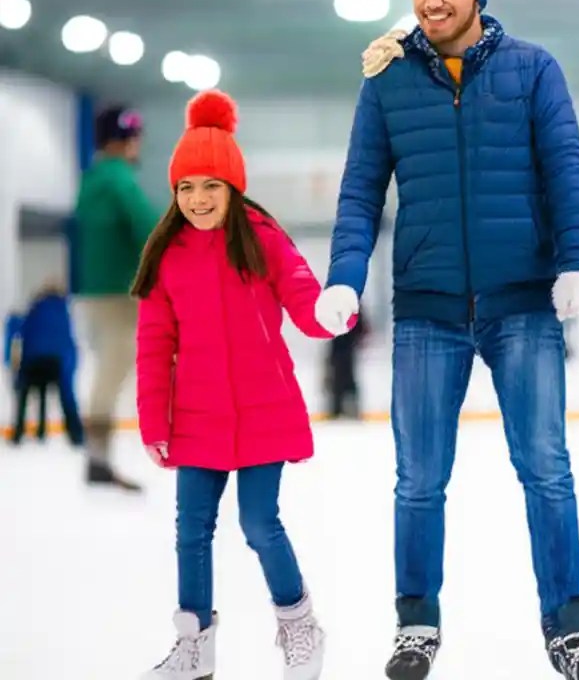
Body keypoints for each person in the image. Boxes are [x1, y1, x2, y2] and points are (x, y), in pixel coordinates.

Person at [326, 0, 579, 678]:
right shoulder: (388, 78)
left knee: (546, 469)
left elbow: (565, 171)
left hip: (521, 300)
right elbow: (361, 189)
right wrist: (344, 275)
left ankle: (569, 627)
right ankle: (416, 625)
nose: (430, 1)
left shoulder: (533, 69)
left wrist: (577, 258)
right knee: (419, 479)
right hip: (427, 306)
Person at [134, 90, 336, 680]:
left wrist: (335, 311)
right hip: (196, 418)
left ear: (233, 187)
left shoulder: (261, 236)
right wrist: (154, 421)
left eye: (210, 186)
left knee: (258, 522)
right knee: (191, 530)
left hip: (263, 411)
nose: (197, 200)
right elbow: (153, 346)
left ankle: (299, 625)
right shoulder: (166, 254)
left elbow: (305, 301)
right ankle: (194, 643)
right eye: (186, 188)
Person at [73, 103, 158, 491]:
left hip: (98, 291)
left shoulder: (91, 180)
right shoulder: (118, 179)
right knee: (114, 369)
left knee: (111, 369)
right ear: (123, 139)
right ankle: (97, 460)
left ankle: (97, 459)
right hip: (119, 294)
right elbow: (148, 225)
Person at [9, 282, 84, 446]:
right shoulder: (63, 311)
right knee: (66, 397)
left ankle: (18, 432)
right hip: (56, 364)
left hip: (33, 362)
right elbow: (68, 344)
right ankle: (75, 435)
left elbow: (19, 330)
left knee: (24, 393)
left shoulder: (34, 308)